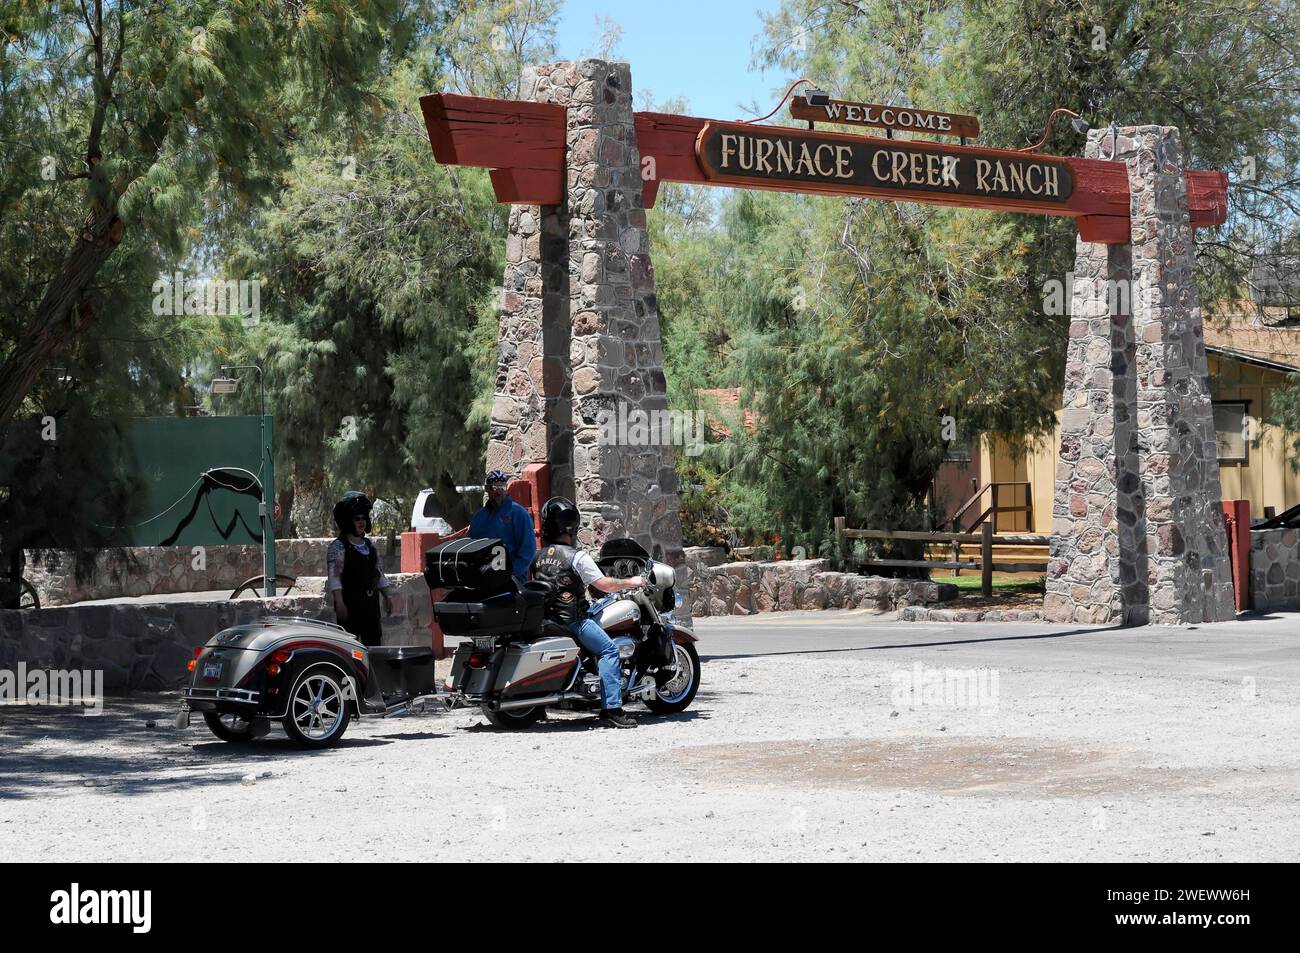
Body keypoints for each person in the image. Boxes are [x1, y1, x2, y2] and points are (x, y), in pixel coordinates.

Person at [529, 496, 644, 729]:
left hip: (546, 619)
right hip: (573, 621)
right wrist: (631, 581)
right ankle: (612, 709)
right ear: (572, 525)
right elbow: (604, 585)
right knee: (610, 650)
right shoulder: (577, 557)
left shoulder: (538, 556)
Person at [327, 491, 392, 647]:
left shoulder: (369, 546)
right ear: (348, 520)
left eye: (364, 517)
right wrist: (339, 602)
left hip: (371, 605)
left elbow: (379, 573)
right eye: (357, 518)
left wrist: (387, 596)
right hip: (350, 605)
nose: (361, 522)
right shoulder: (338, 546)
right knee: (350, 647)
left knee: (374, 645)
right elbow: (335, 577)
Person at [468, 469, 536, 584]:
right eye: (495, 488)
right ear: (487, 489)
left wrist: (510, 574)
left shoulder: (518, 513)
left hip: (512, 581)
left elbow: (527, 551)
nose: (499, 492)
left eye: (502, 488)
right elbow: (471, 547)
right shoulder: (478, 518)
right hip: (483, 580)